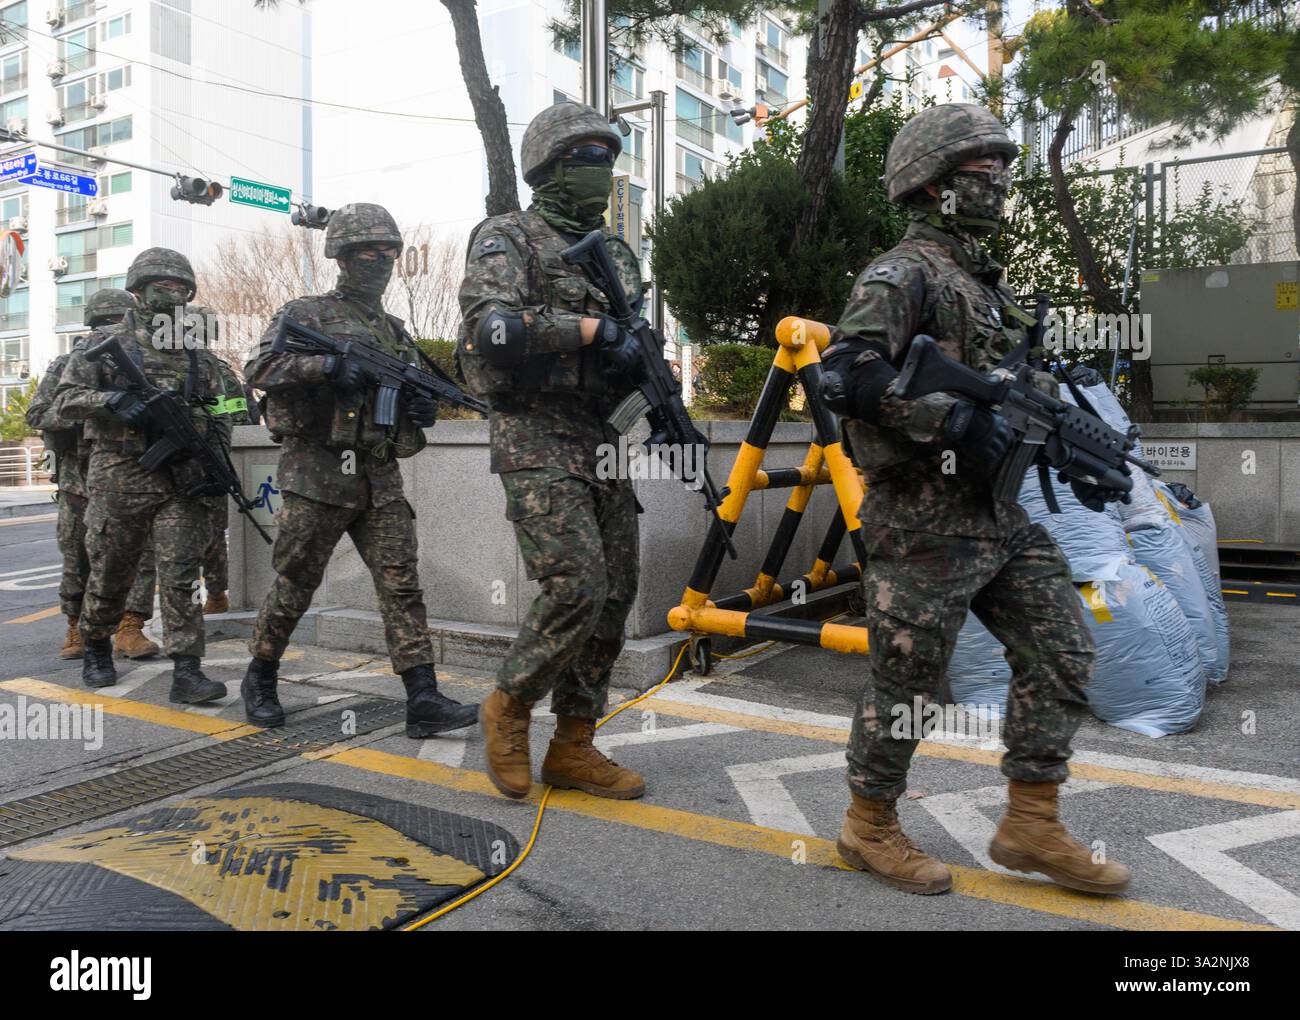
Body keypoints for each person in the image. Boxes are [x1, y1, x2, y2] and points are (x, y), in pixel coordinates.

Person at [820, 103, 1131, 896]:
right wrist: (948, 417)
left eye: (999, 172)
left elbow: (1011, 399)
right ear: (932, 186)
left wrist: (1071, 452)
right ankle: (868, 825)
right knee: (908, 680)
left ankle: (1031, 821)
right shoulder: (902, 273)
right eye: (980, 173)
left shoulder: (987, 289)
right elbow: (845, 374)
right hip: (920, 520)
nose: (998, 185)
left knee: (1062, 646)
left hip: (994, 516)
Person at [457, 102, 647, 800]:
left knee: (616, 595)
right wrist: (591, 331)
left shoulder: (615, 252)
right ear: (551, 166)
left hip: (603, 439)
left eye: (608, 157)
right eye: (587, 158)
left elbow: (632, 339)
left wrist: (641, 370)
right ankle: (508, 707)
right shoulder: (509, 237)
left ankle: (575, 743)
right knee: (577, 586)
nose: (602, 171)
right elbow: (491, 329)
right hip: (536, 436)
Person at [241, 202, 476, 736]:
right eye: (368, 251)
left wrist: (421, 410)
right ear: (342, 256)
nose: (381, 260)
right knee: (296, 581)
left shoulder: (394, 329)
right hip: (318, 473)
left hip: (379, 476)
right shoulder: (306, 314)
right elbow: (260, 368)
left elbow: (409, 409)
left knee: (402, 587)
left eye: (389, 251)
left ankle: (423, 699)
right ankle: (261, 674)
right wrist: (328, 365)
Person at [53, 249, 238, 702]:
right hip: (120, 475)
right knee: (112, 570)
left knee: (179, 575)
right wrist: (110, 403)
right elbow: (62, 403)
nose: (173, 295)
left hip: (181, 479)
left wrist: (213, 460)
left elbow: (223, 410)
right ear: (138, 291)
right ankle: (97, 644)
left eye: (181, 289)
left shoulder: (197, 353)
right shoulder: (103, 346)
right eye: (164, 287)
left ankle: (188, 671)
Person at [27, 289, 162, 661]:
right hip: (79, 478)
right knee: (77, 556)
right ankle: (76, 627)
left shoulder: (148, 359)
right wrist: (97, 411)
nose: (110, 331)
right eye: (105, 325)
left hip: (131, 472)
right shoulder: (66, 364)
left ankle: (130, 627)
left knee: (139, 552)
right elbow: (38, 413)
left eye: (117, 323)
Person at [184, 304, 251, 616]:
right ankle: (211, 595)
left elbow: (234, 422)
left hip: (209, 464)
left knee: (207, 537)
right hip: (192, 464)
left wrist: (219, 467)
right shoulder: (211, 368)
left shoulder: (214, 370)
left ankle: (214, 595)